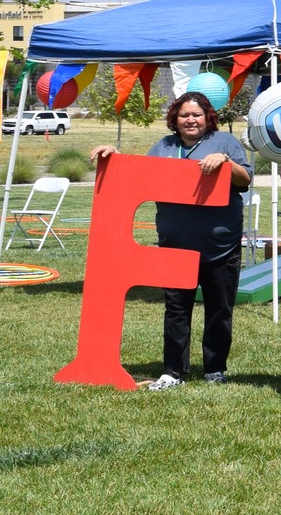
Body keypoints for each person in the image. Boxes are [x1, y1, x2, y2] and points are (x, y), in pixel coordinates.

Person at [92, 91, 253, 388]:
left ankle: (214, 368)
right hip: (175, 244)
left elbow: (245, 179)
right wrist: (112, 156)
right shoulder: (164, 146)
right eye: (184, 115)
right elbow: (135, 175)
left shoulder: (225, 143)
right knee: (177, 309)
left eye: (196, 115)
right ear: (175, 120)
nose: (190, 120)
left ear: (208, 117)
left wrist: (226, 162)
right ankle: (173, 371)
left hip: (220, 246)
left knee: (219, 309)